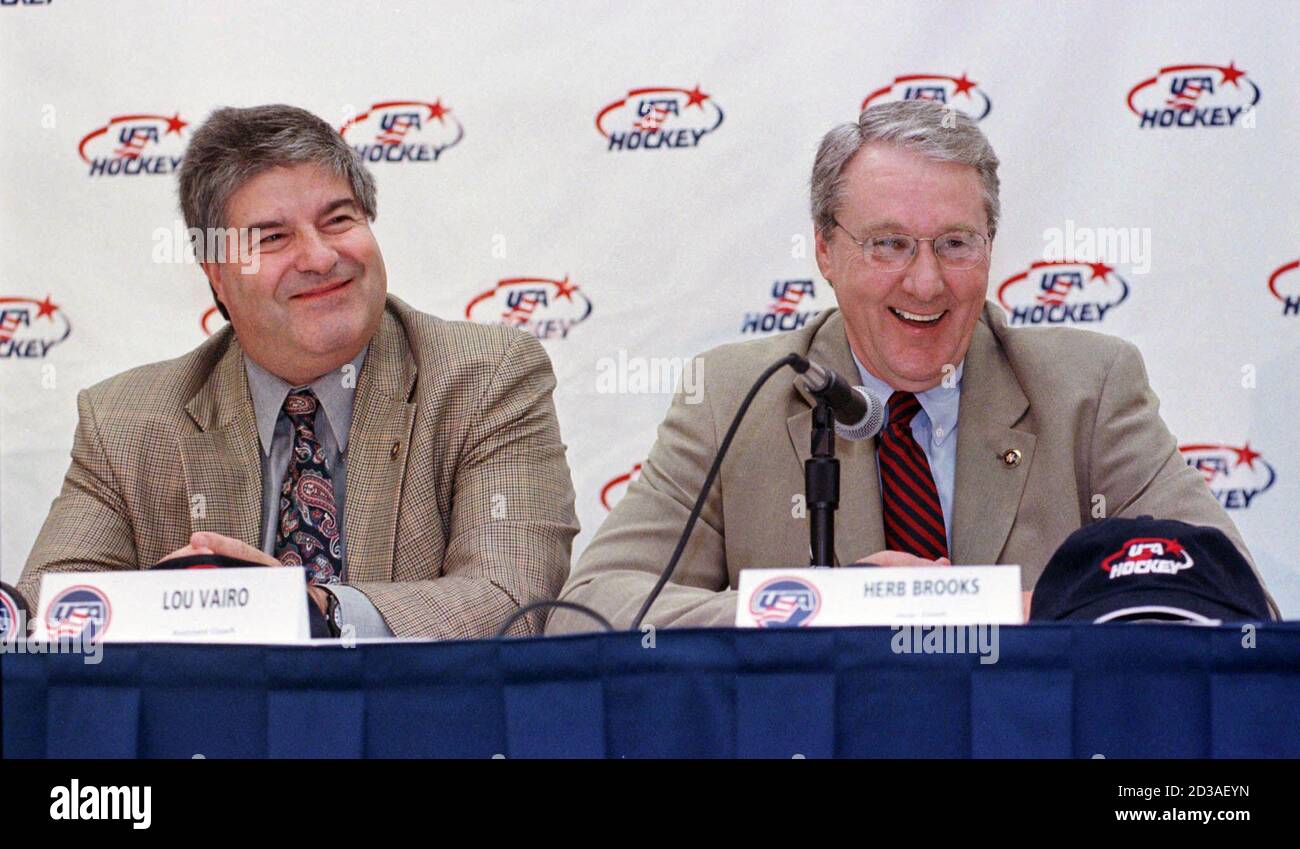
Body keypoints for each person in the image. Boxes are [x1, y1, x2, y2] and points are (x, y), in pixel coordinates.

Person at [547, 99, 1275, 632]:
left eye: (956, 243)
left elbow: (1233, 600)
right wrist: (823, 608)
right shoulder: (736, 397)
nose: (926, 283)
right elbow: (589, 611)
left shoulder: (1090, 387)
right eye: (888, 243)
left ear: (991, 246)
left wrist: (1024, 609)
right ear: (826, 251)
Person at [20, 104, 579, 639]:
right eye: (272, 237)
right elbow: (52, 611)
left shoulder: (487, 379)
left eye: (338, 220)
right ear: (216, 276)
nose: (318, 257)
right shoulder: (124, 422)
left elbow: (512, 600)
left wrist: (311, 609)